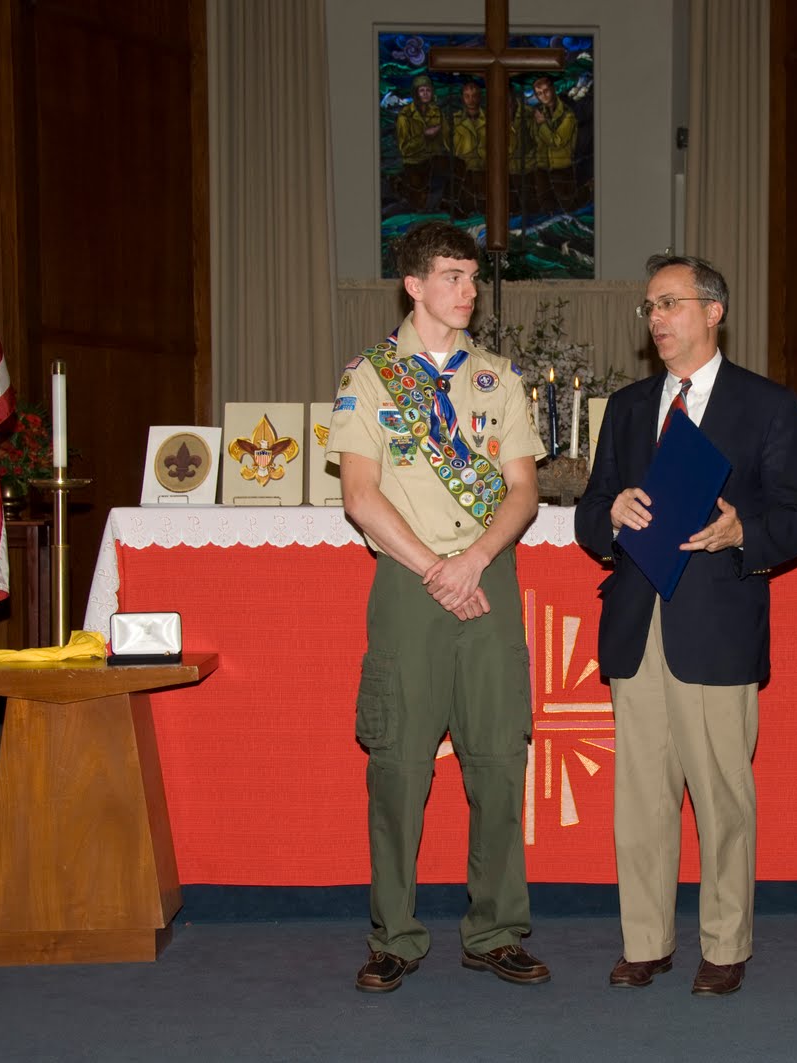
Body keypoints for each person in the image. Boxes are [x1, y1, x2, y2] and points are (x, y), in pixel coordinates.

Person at [574, 253, 797, 997]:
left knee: (721, 797)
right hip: (636, 623)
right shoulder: (625, 407)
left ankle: (725, 944)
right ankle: (644, 941)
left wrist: (744, 531)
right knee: (640, 798)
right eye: (649, 306)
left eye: (670, 303)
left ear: (714, 310)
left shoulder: (768, 406)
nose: (656, 319)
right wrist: (609, 516)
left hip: (714, 626)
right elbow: (590, 517)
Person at [327, 221, 549, 993]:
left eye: (473, 276)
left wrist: (476, 560)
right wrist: (436, 569)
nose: (468, 289)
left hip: (487, 577)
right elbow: (360, 495)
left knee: (497, 759)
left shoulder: (500, 378)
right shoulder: (370, 377)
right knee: (397, 766)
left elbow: (524, 488)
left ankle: (495, 928)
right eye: (452, 275)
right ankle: (394, 933)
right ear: (413, 285)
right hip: (408, 583)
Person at [394, 74, 448, 213]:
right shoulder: (405, 116)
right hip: (414, 163)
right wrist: (424, 136)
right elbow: (405, 149)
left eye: (428, 90)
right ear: (416, 93)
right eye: (422, 90)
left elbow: (447, 138)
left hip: (434, 160)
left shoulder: (437, 112)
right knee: (419, 203)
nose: (425, 94)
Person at [527, 75, 577, 212]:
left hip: (562, 168)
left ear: (553, 89)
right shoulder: (537, 114)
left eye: (546, 91)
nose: (543, 96)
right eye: (539, 93)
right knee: (545, 209)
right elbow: (534, 140)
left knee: (567, 207)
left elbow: (557, 142)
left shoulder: (568, 115)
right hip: (541, 169)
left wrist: (542, 124)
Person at [448, 80, 487, 220]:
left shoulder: (491, 118)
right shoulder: (455, 119)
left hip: (485, 170)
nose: (471, 99)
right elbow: (449, 144)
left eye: (474, 95)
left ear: (480, 97)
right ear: (462, 98)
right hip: (464, 170)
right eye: (467, 95)